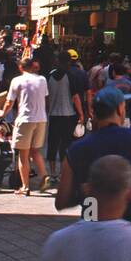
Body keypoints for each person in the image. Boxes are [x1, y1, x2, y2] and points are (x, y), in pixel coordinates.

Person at [55, 85, 131, 227]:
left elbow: (61, 201)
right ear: (120, 109)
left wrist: (84, 191)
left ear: (94, 112)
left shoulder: (76, 149)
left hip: (93, 224)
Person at [4, 55, 49, 195]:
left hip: (25, 119)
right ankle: (44, 176)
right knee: (35, 151)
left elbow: (9, 102)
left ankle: (25, 187)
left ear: (20, 67)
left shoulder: (17, 80)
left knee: (23, 155)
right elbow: (45, 97)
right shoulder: (42, 79)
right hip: (41, 119)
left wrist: (2, 113)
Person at [46, 50, 84, 184]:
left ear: (57, 61)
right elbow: (75, 97)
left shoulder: (49, 76)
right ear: (69, 62)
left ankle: (52, 173)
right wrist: (81, 114)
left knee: (52, 143)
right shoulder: (71, 76)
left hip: (53, 115)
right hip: (68, 115)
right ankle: (63, 173)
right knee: (65, 144)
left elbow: (47, 97)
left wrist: (47, 110)